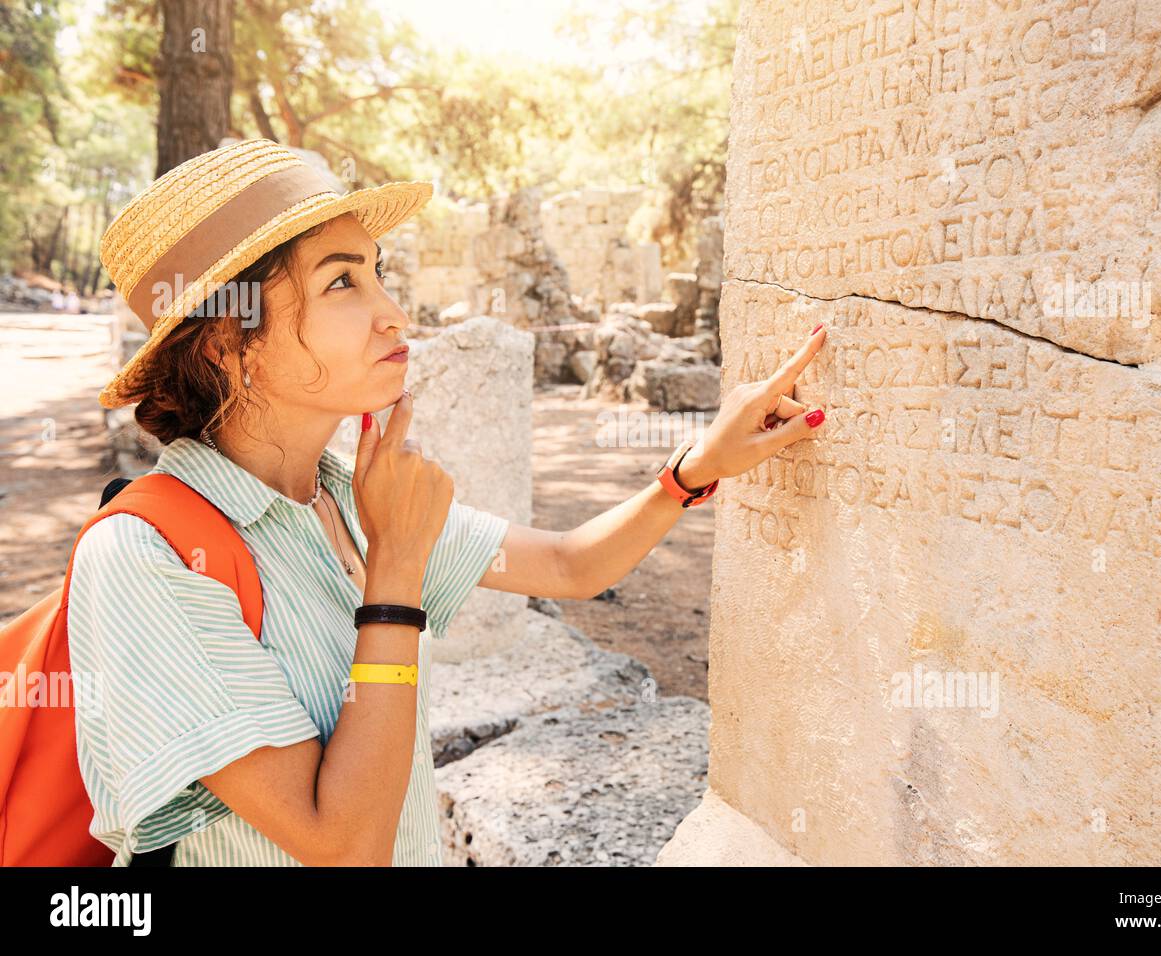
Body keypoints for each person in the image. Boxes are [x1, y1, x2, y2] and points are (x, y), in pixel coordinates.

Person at [68, 138, 827, 867]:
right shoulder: (145, 558)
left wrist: (693, 469)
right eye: (342, 282)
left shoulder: (339, 499)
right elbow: (344, 845)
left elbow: (570, 565)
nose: (394, 311)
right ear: (229, 347)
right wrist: (394, 570)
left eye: (377, 272)